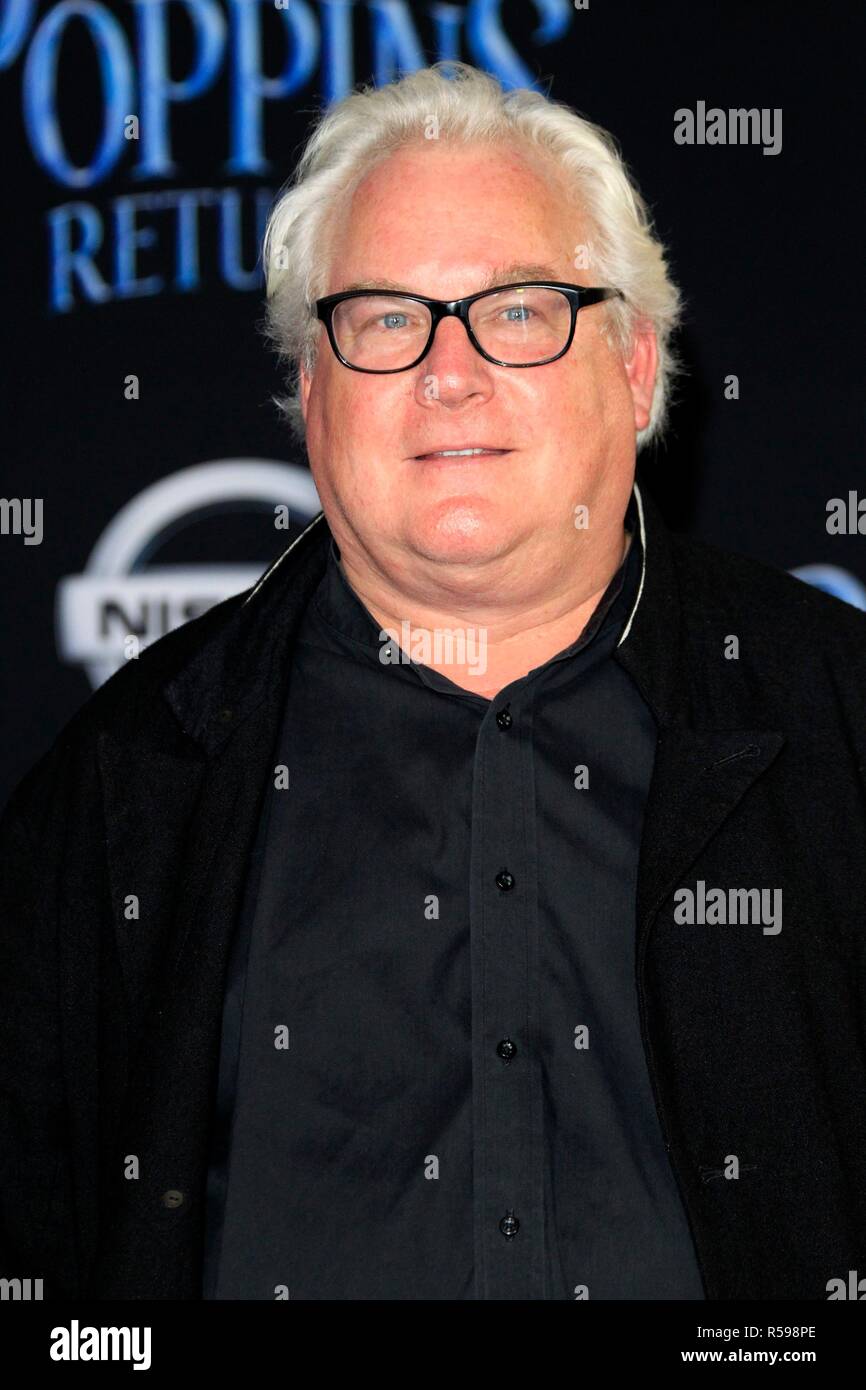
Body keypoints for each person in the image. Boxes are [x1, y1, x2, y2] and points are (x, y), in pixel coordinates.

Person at [2, 62, 866, 1302]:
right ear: (310, 391)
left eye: (515, 309)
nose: (446, 372)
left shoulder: (837, 729)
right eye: (386, 317)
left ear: (632, 364)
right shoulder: (120, 796)